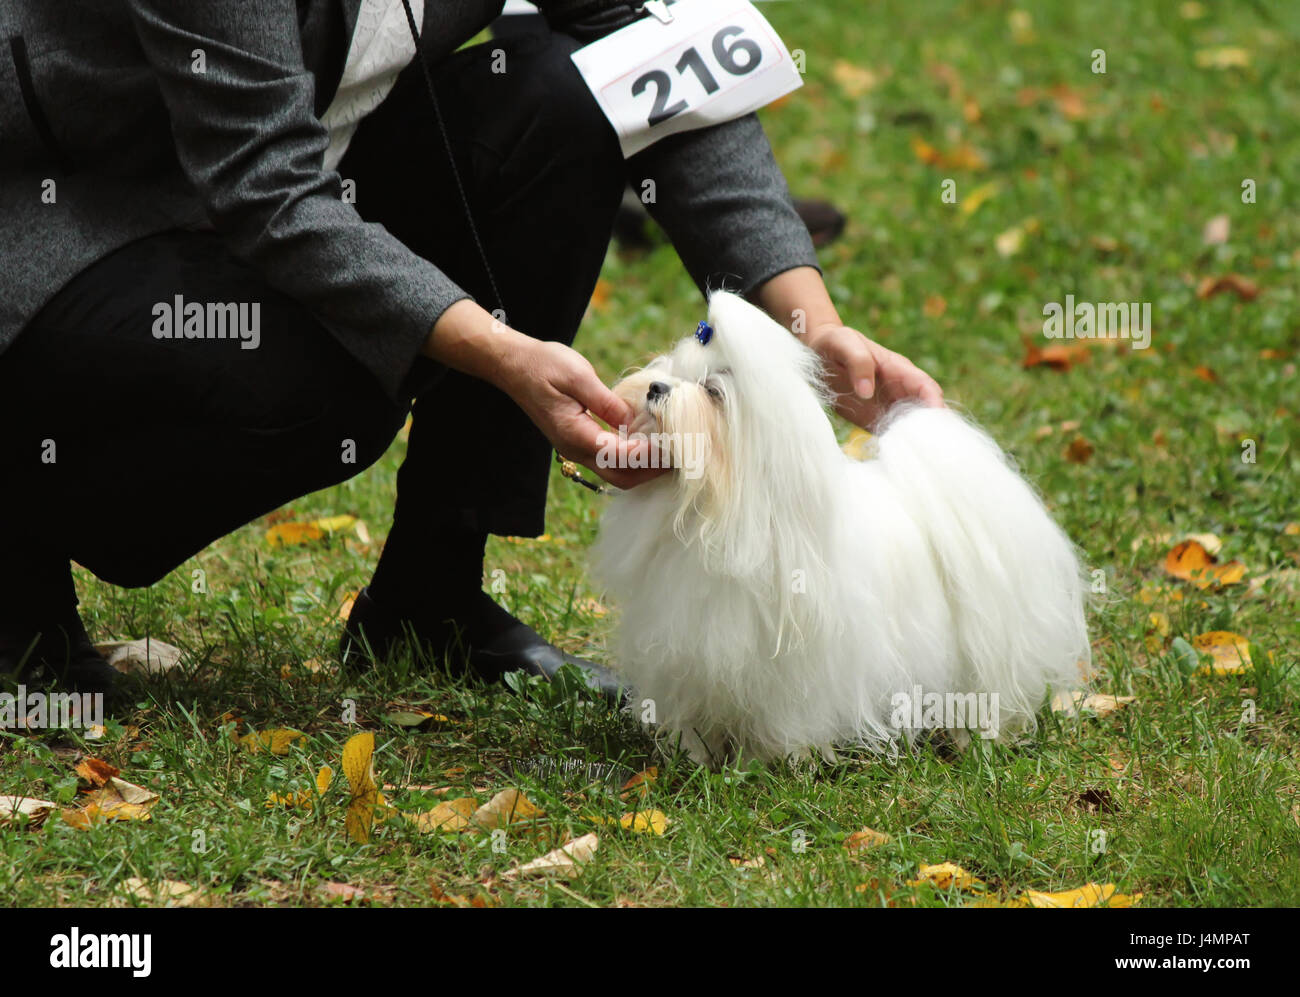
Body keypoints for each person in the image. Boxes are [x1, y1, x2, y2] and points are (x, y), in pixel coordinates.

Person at [0, 0, 941, 705]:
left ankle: (429, 597)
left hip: (302, 168)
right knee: (329, 378)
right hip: (70, 220)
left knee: (557, 96)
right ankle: (15, 585)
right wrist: (493, 347)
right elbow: (261, 179)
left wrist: (814, 328)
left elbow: (664, 49)